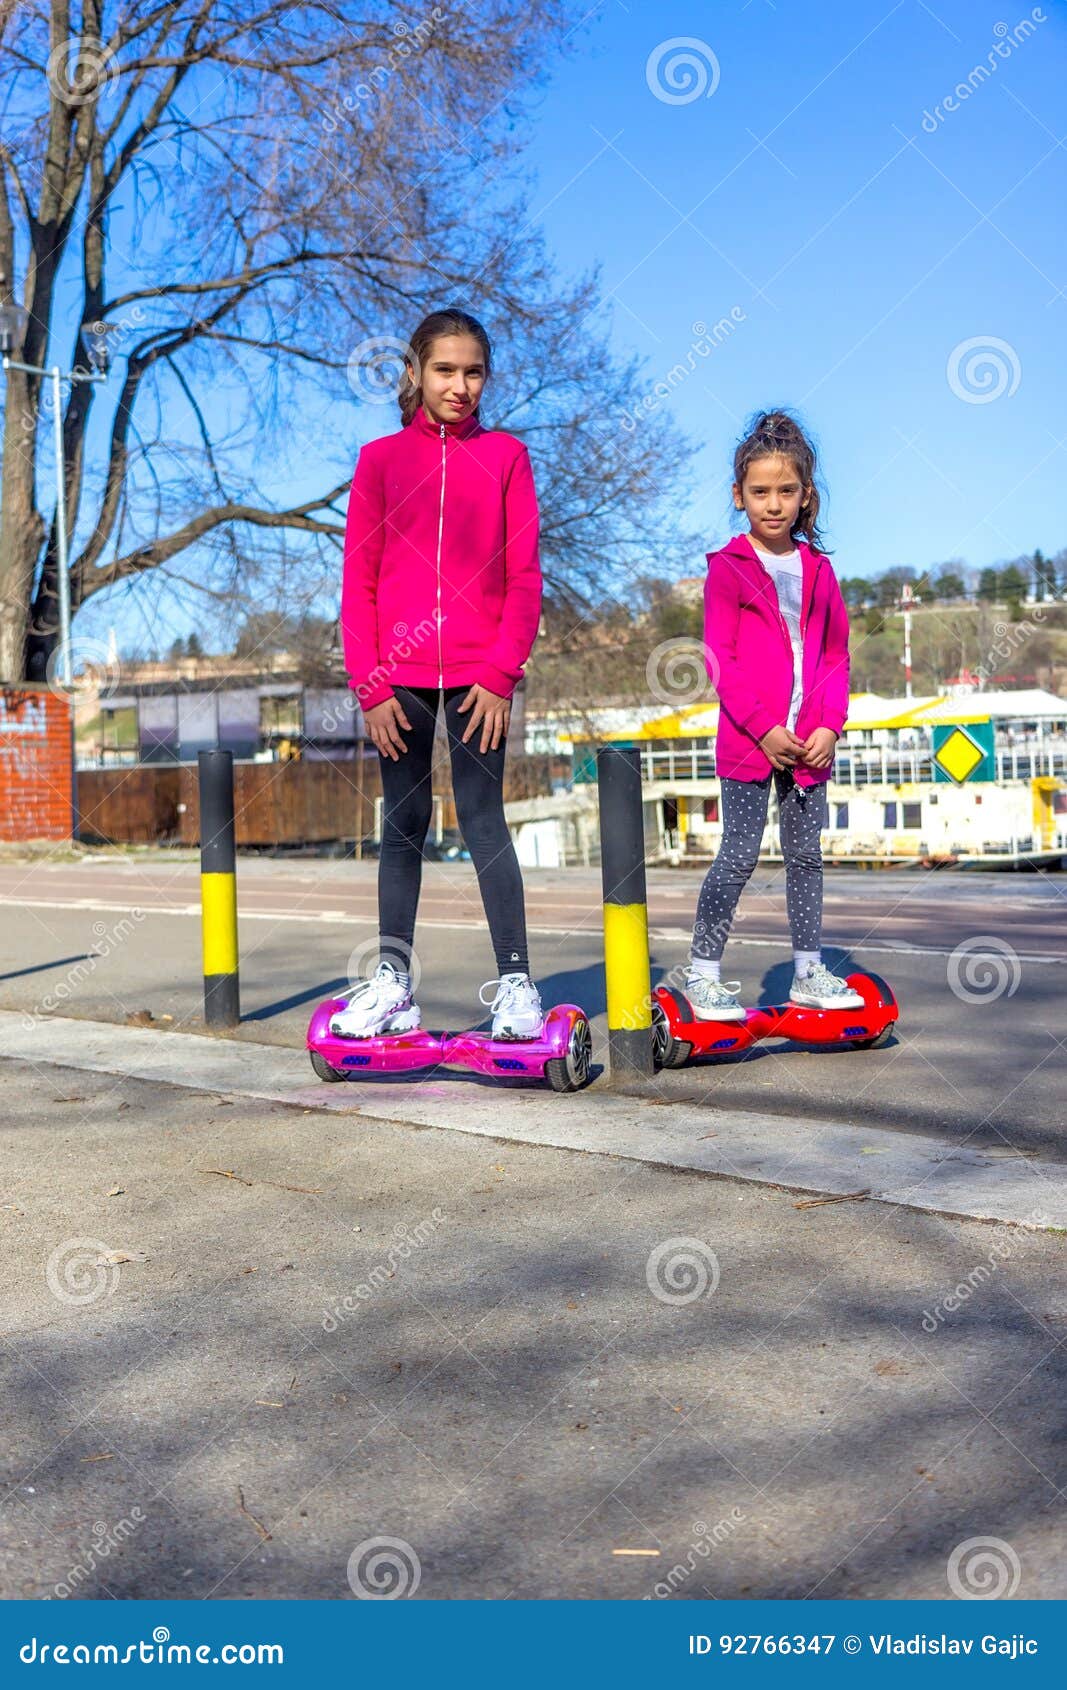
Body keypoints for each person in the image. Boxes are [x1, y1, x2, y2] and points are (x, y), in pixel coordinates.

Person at [334, 307, 544, 1039]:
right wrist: (370, 684)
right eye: (445, 370)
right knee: (405, 824)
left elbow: (524, 579)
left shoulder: (508, 458)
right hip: (399, 681)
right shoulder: (380, 462)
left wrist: (500, 672)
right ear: (417, 374)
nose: (460, 385)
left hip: (479, 678)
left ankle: (517, 986)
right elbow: (357, 583)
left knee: (486, 821)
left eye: (473, 371)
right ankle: (392, 985)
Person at [685, 409, 864, 1019]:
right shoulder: (728, 570)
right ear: (739, 496)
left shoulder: (821, 571)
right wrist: (763, 728)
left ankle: (809, 973)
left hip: (809, 747)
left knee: (806, 856)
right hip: (749, 742)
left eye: (786, 491)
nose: (773, 503)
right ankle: (703, 973)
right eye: (760, 491)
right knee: (737, 853)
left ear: (805, 494)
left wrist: (827, 727)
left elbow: (836, 656)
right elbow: (720, 659)